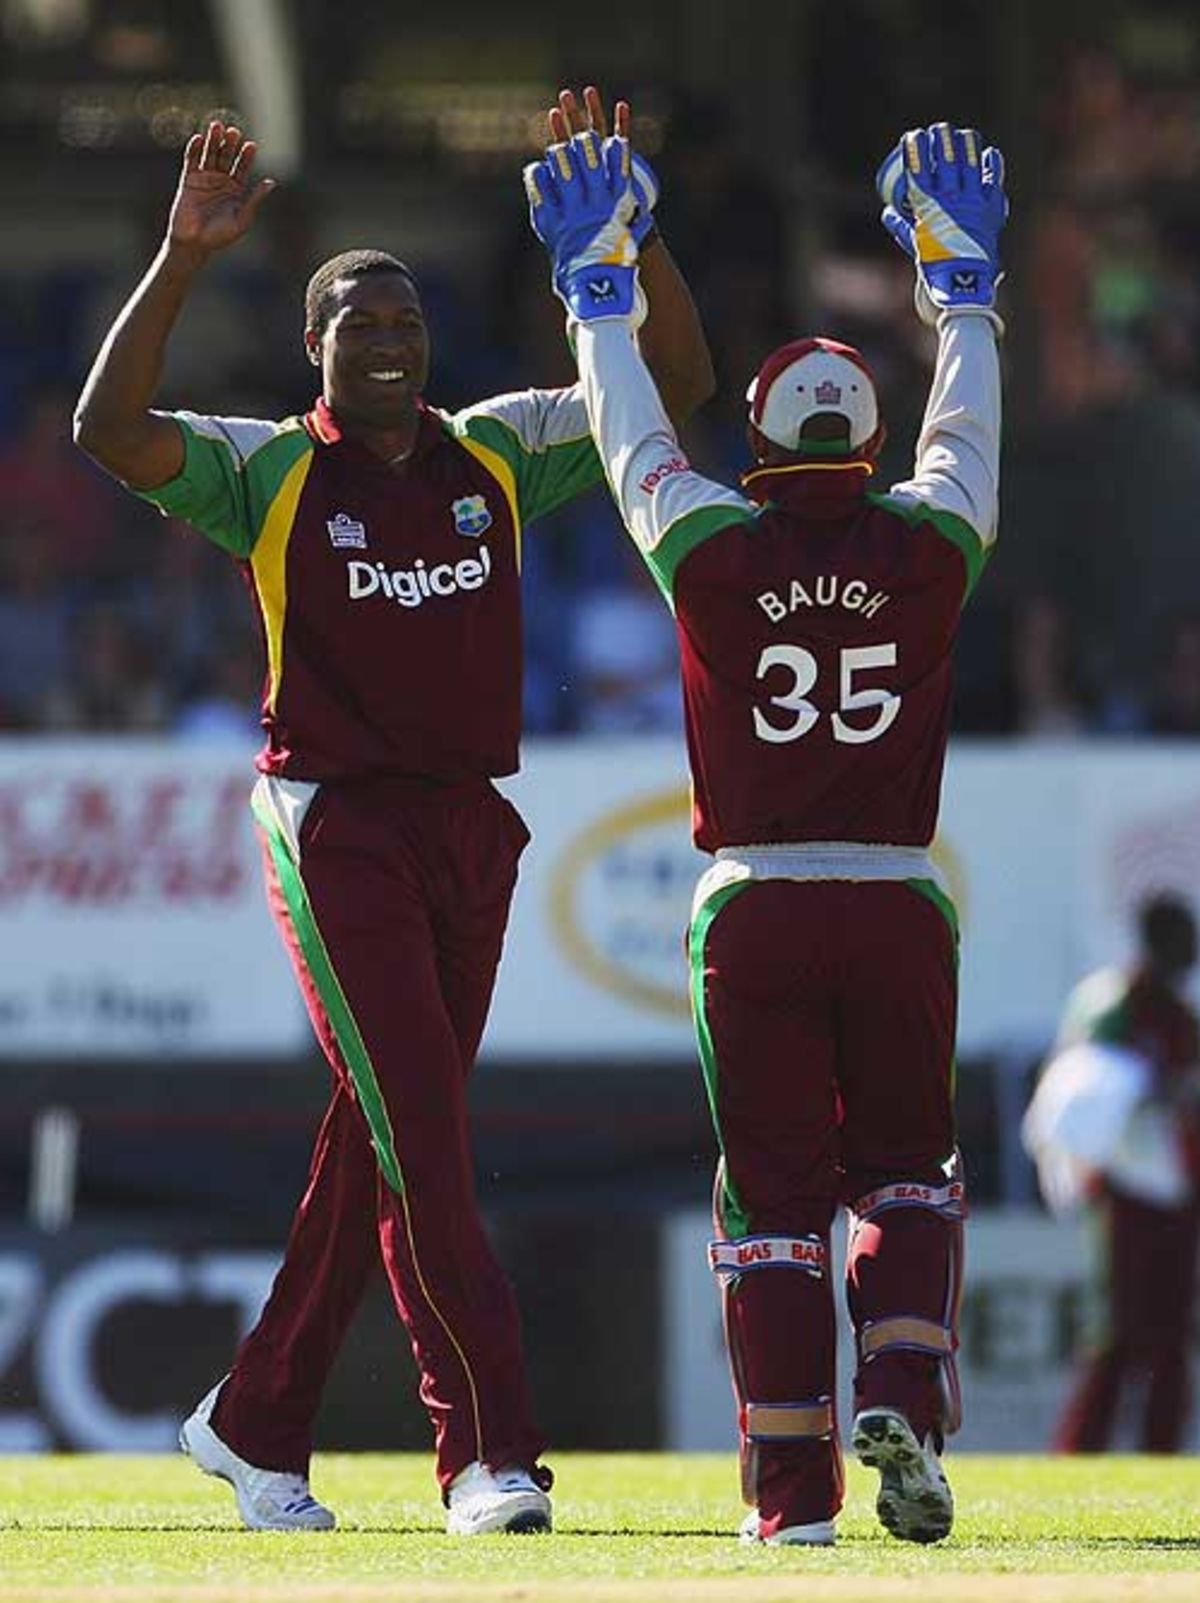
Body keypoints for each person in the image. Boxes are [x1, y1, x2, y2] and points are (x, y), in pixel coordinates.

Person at [73, 92, 713, 1535]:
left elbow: (672, 381)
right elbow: (106, 427)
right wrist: (182, 254)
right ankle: (488, 1454)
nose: (389, 345)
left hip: (471, 828)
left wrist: (637, 236)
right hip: (334, 822)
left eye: (408, 326)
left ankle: (251, 1424)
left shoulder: (502, 450)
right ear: (316, 347)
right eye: (361, 329)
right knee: (425, 1134)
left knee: (379, 1133)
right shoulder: (269, 469)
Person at [525, 121, 1006, 1544]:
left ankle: (790, 1495)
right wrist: (961, 294)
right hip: (900, 894)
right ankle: (906, 1400)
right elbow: (968, 432)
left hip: (752, 903)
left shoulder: (712, 550)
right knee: (911, 1166)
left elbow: (628, 444)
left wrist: (594, 297)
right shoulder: (933, 546)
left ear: (759, 442)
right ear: (867, 440)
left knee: (773, 1199)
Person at [1047, 893, 1200, 1453]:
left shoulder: (1182, 1014)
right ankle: (1079, 1452)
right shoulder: (1114, 1004)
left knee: (1172, 1334)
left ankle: (1160, 1452)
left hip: (1178, 1192)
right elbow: (1084, 1089)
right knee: (1116, 1327)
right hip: (1125, 1187)